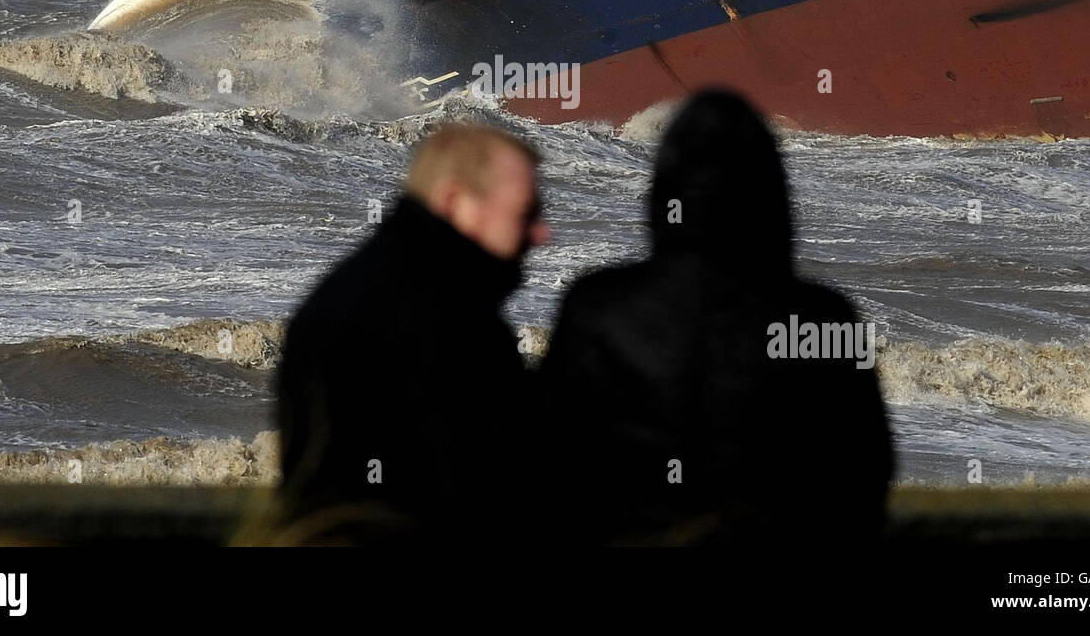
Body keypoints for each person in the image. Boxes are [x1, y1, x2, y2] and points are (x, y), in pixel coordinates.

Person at [539, 89, 894, 547]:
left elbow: (547, 461)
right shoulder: (823, 315)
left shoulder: (595, 305)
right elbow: (865, 473)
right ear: (772, 196)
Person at [275, 122, 548, 544]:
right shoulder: (440, 316)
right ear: (454, 200)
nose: (543, 234)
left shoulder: (360, 285)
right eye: (527, 212)